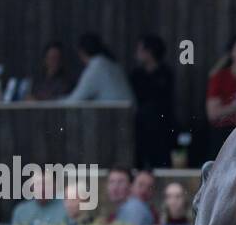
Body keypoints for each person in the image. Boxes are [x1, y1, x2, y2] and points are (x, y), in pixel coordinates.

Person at [130, 35, 175, 169]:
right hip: (140, 125)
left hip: (161, 125)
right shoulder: (136, 74)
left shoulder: (165, 74)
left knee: (161, 161)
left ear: (148, 52)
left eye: (139, 50)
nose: (136, 54)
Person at [64, 33, 134, 102]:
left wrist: (55, 102)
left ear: (82, 52)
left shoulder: (97, 67)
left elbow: (75, 100)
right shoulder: (111, 63)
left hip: (118, 112)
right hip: (127, 110)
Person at [10, 170, 75, 225]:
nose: (42, 189)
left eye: (47, 184)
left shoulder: (68, 209)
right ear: (31, 187)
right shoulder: (21, 211)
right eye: (38, 184)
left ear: (55, 186)